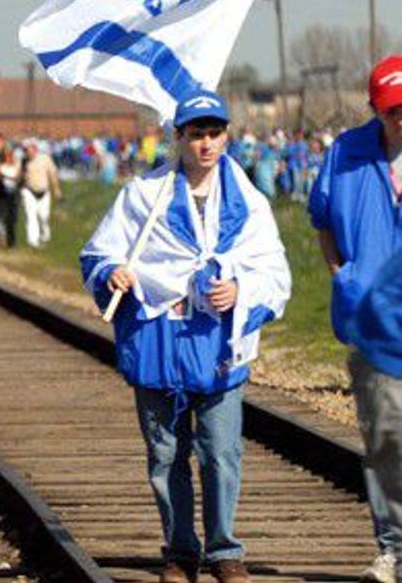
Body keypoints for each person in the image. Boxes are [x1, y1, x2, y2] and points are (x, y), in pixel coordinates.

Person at [81, 91, 290, 583]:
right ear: (179, 137)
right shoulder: (141, 196)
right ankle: (179, 550)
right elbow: (99, 252)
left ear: (227, 136)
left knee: (220, 452)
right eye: (197, 134)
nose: (206, 144)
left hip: (218, 345)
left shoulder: (250, 204)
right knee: (165, 454)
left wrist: (240, 290)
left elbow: (274, 270)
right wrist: (112, 273)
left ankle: (224, 550)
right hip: (158, 341)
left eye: (215, 133)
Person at [308, 55, 402, 582]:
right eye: (392, 111)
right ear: (374, 109)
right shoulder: (345, 153)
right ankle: (392, 551)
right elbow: (322, 219)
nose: (401, 119)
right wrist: (341, 275)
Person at [21, 139, 61, 248]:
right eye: (25, 150)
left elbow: (52, 174)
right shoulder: (24, 161)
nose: (27, 152)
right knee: (31, 216)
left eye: (28, 149)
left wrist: (56, 189)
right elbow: (20, 175)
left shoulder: (45, 159)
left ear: (35, 148)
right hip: (29, 191)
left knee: (44, 216)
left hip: (44, 191)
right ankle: (33, 241)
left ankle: (44, 236)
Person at [0, 136, 21, 248]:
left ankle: (10, 240)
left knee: (12, 216)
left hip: (12, 189)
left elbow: (17, 172)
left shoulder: (13, 156)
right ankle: (3, 237)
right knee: (1, 214)